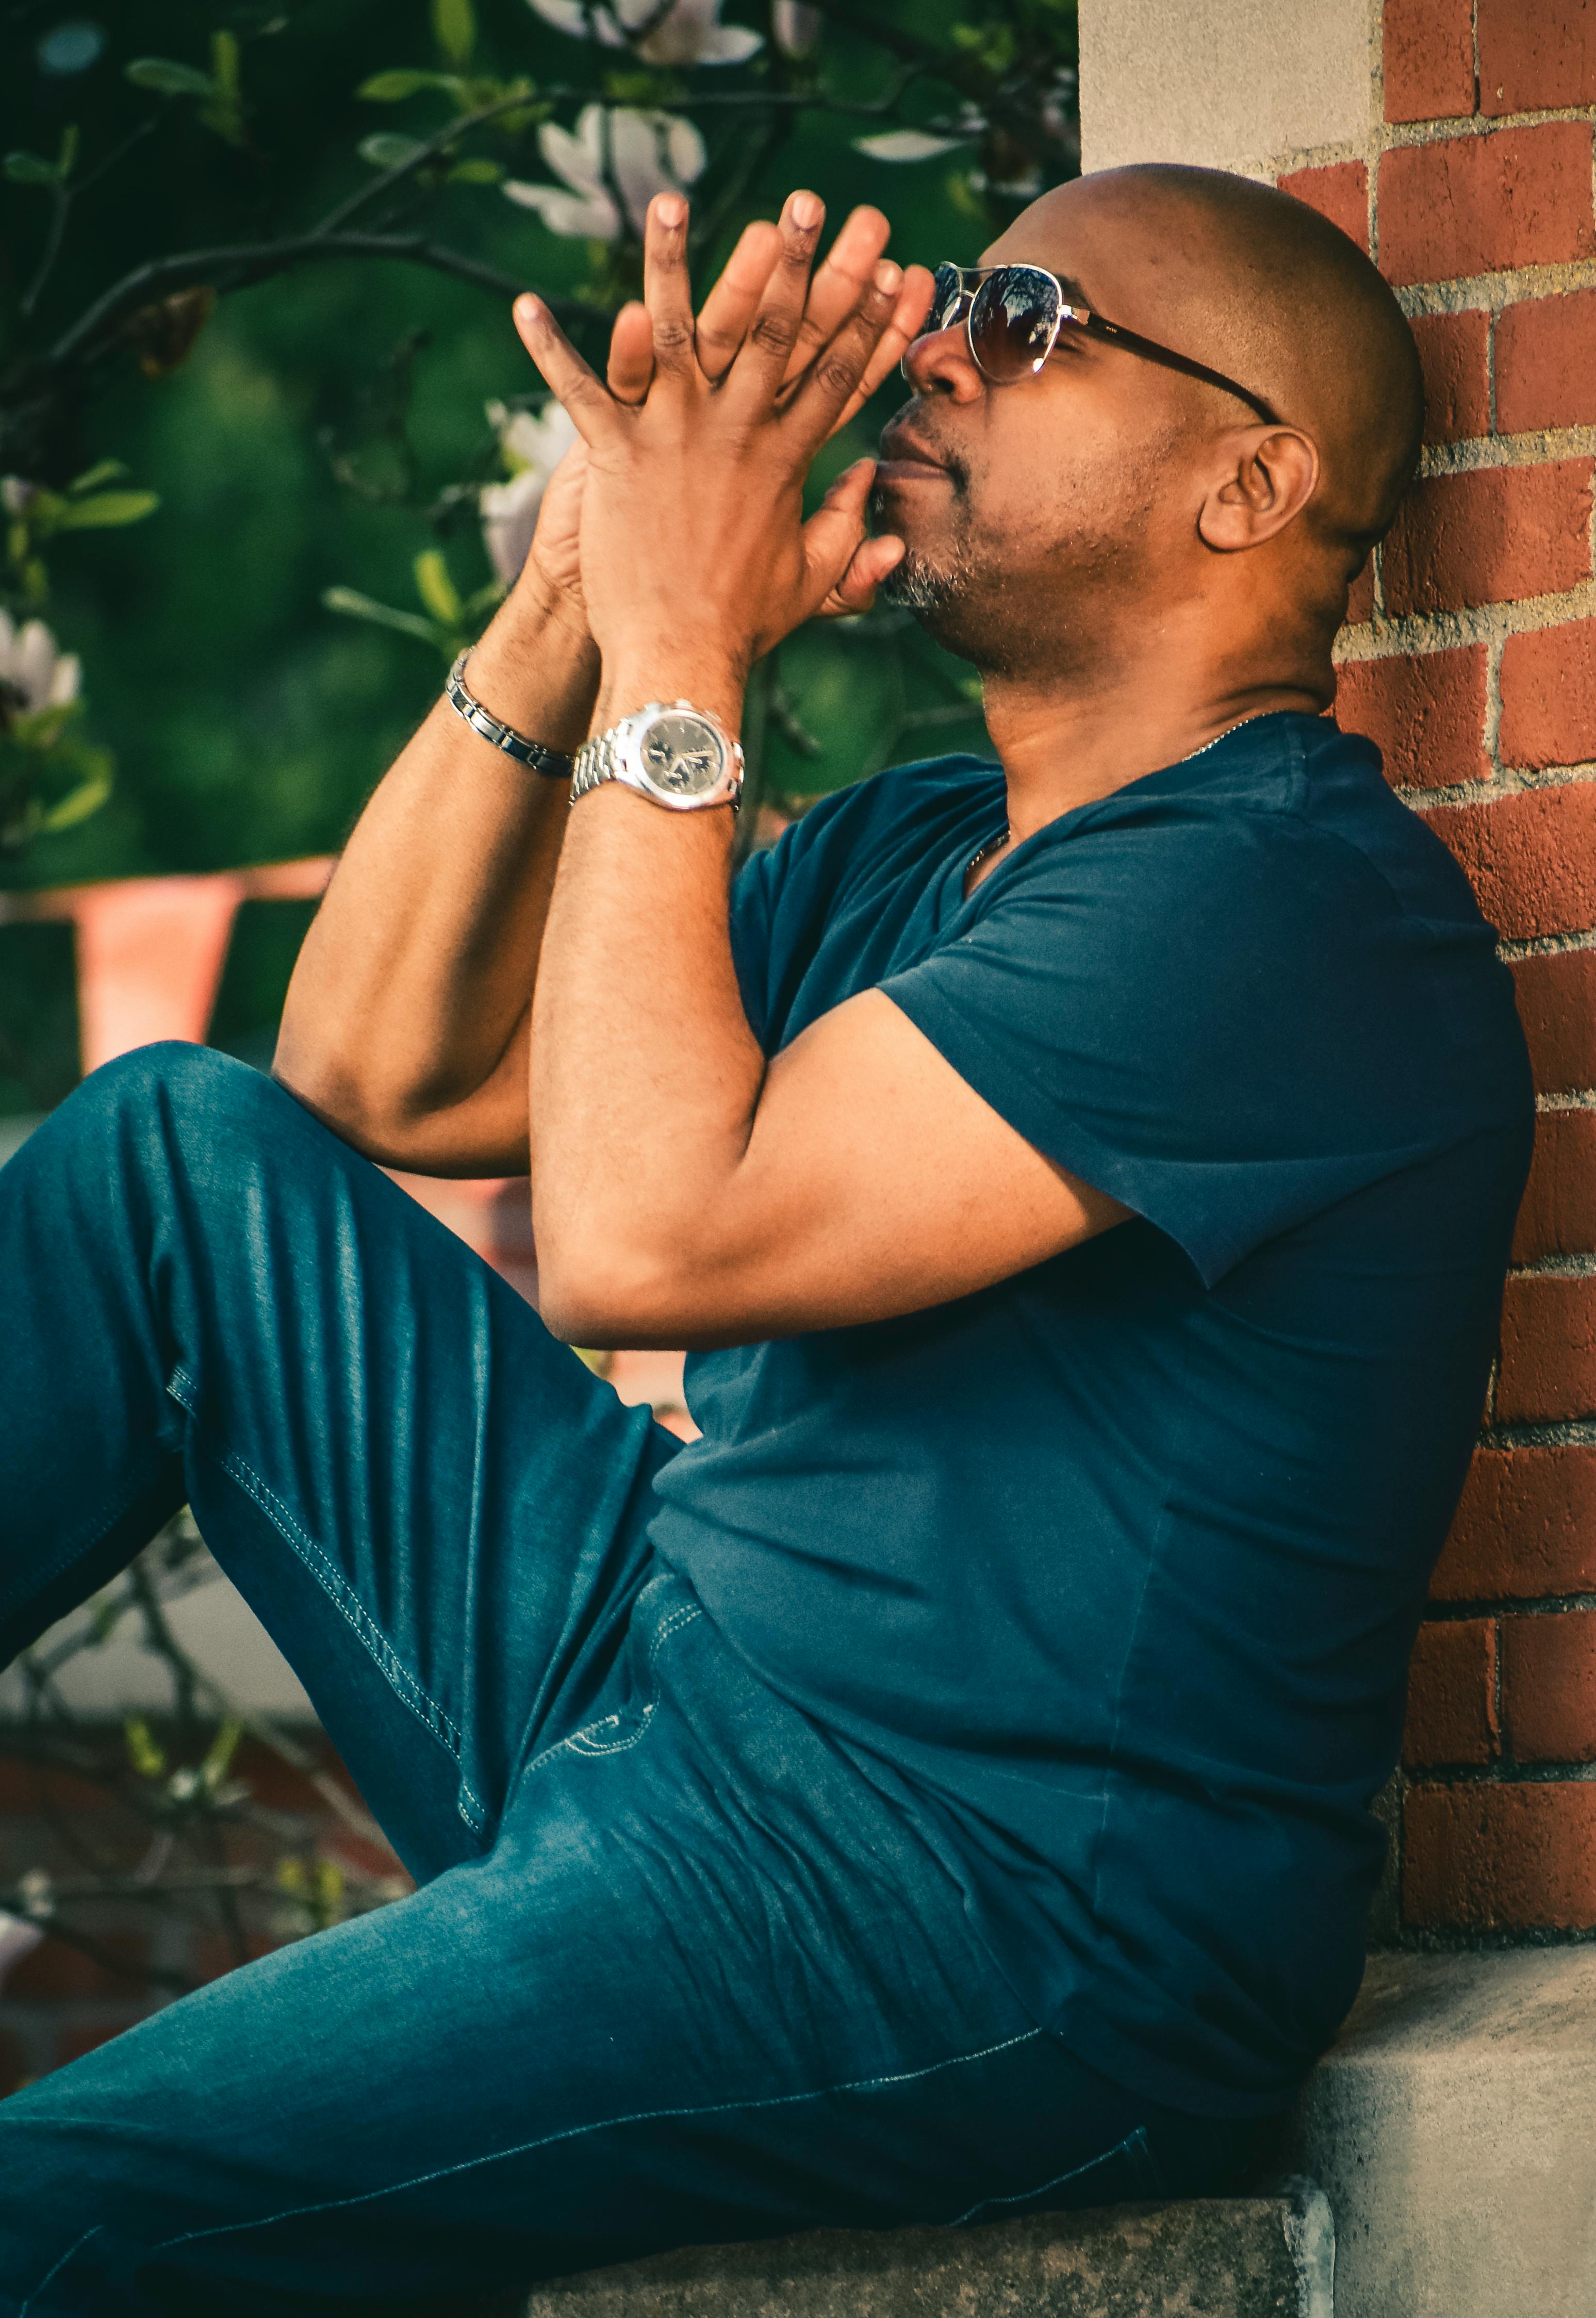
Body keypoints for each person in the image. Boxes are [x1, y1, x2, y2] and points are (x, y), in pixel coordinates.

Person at [0, 162, 1531, 2315]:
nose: (928, 349)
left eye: (1022, 319)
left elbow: (641, 1237)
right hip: (668, 1664)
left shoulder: (1285, 905)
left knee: (50, 2192)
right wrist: (583, 589)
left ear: (1247, 483)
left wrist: (689, 646)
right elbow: (369, 1070)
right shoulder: (931, 844)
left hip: (969, 1909)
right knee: (175, 1153)